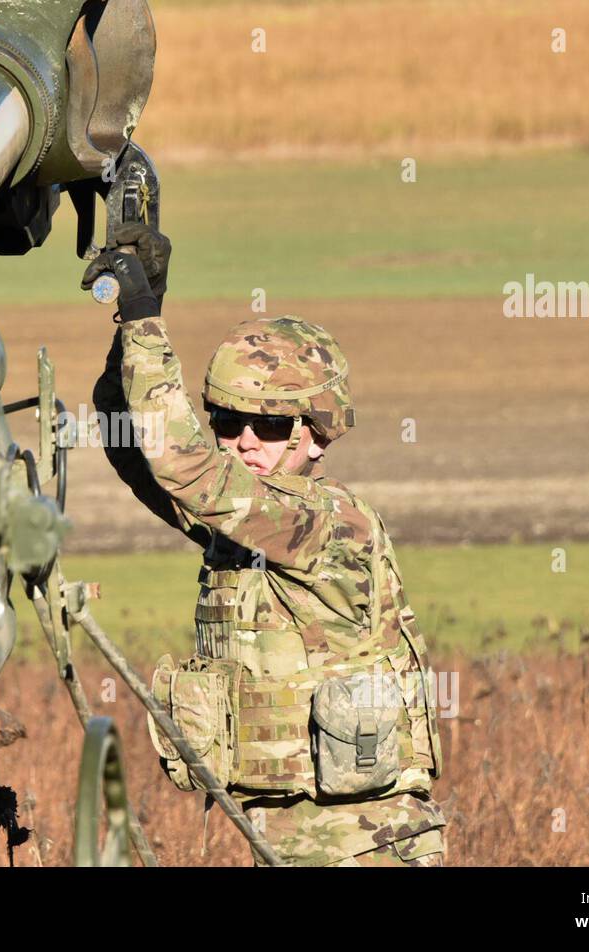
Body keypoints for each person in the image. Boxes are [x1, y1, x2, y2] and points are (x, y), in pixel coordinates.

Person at [85, 224, 447, 866]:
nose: (244, 440)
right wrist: (135, 313)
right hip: (286, 839)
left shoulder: (328, 524)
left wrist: (147, 323)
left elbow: (184, 466)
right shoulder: (243, 529)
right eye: (226, 421)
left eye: (270, 425)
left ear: (315, 433)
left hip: (366, 845)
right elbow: (133, 443)